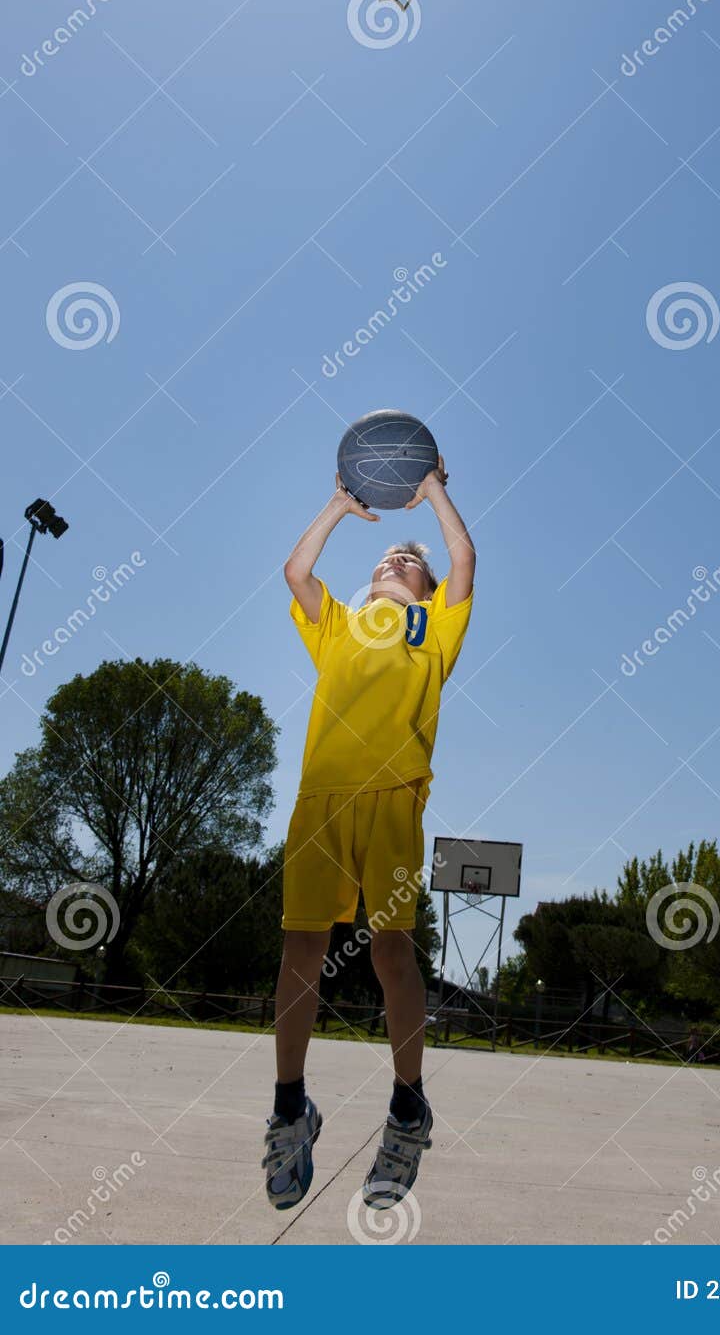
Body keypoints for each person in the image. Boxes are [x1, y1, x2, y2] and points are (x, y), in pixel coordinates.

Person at [262, 460, 475, 1212]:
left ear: (423, 589)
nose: (397, 560)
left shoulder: (434, 630)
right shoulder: (342, 628)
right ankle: (291, 1106)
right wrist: (335, 508)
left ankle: (407, 1105)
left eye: (408, 561)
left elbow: (463, 560)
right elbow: (296, 570)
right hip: (320, 802)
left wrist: (431, 491)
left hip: (391, 805)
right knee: (301, 950)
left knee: (390, 952)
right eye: (390, 555)